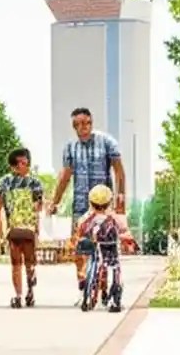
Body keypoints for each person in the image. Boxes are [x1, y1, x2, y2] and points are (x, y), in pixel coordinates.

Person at [47, 107, 126, 290]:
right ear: (74, 126)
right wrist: (55, 202)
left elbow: (119, 172)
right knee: (80, 245)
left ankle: (103, 285)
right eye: (79, 124)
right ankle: (83, 281)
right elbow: (65, 177)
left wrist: (120, 202)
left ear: (91, 122)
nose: (83, 127)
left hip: (103, 204)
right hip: (81, 204)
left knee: (106, 244)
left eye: (87, 123)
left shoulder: (107, 142)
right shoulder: (70, 148)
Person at [0, 147, 45, 309]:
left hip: (29, 227)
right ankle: (18, 295)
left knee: (29, 261)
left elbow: (38, 206)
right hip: (13, 227)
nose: (25, 165)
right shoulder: (5, 182)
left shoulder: (35, 183)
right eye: (21, 162)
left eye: (26, 161)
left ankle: (30, 287)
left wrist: (37, 228)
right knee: (15, 262)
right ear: (13, 165)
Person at [75, 184, 126, 312]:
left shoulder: (89, 218)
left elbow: (80, 227)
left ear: (91, 203)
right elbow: (123, 229)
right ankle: (115, 300)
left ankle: (86, 294)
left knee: (92, 263)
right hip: (111, 248)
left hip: (96, 247)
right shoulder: (113, 218)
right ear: (110, 202)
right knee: (115, 269)